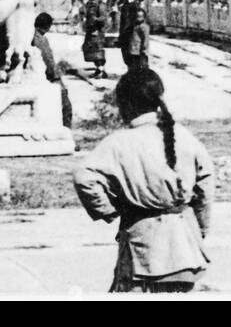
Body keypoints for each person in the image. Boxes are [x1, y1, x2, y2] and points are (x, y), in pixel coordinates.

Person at [72, 69, 214, 294]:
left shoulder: (118, 143)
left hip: (143, 246)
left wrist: (109, 210)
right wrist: (199, 229)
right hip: (185, 245)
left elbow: (84, 176)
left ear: (125, 104)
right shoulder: (184, 136)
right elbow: (205, 188)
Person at [32, 12, 73, 129]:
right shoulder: (40, 40)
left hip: (43, 76)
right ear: (48, 26)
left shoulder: (33, 36)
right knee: (66, 106)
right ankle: (66, 131)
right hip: (49, 77)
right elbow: (48, 61)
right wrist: (57, 77)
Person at [82, 0, 108, 79]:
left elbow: (104, 18)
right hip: (90, 31)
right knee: (90, 51)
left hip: (98, 32)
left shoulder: (101, 6)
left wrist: (96, 19)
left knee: (98, 52)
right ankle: (98, 69)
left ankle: (102, 70)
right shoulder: (89, 6)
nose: (91, 1)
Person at [118, 0, 150, 73]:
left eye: (140, 17)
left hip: (139, 50)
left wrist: (144, 49)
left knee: (140, 65)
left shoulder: (144, 27)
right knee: (132, 63)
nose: (138, 19)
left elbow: (145, 39)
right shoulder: (134, 26)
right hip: (132, 50)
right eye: (137, 17)